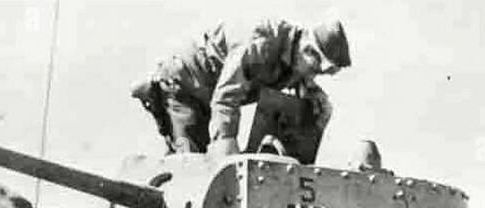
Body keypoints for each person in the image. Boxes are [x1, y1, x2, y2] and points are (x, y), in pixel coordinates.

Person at [132, 18, 351, 156]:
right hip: (184, 87)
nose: (314, 76)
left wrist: (317, 107)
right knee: (192, 168)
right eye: (316, 69)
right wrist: (226, 144)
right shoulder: (260, 45)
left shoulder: (296, 60)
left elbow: (303, 91)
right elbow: (226, 97)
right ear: (309, 51)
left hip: (206, 95)